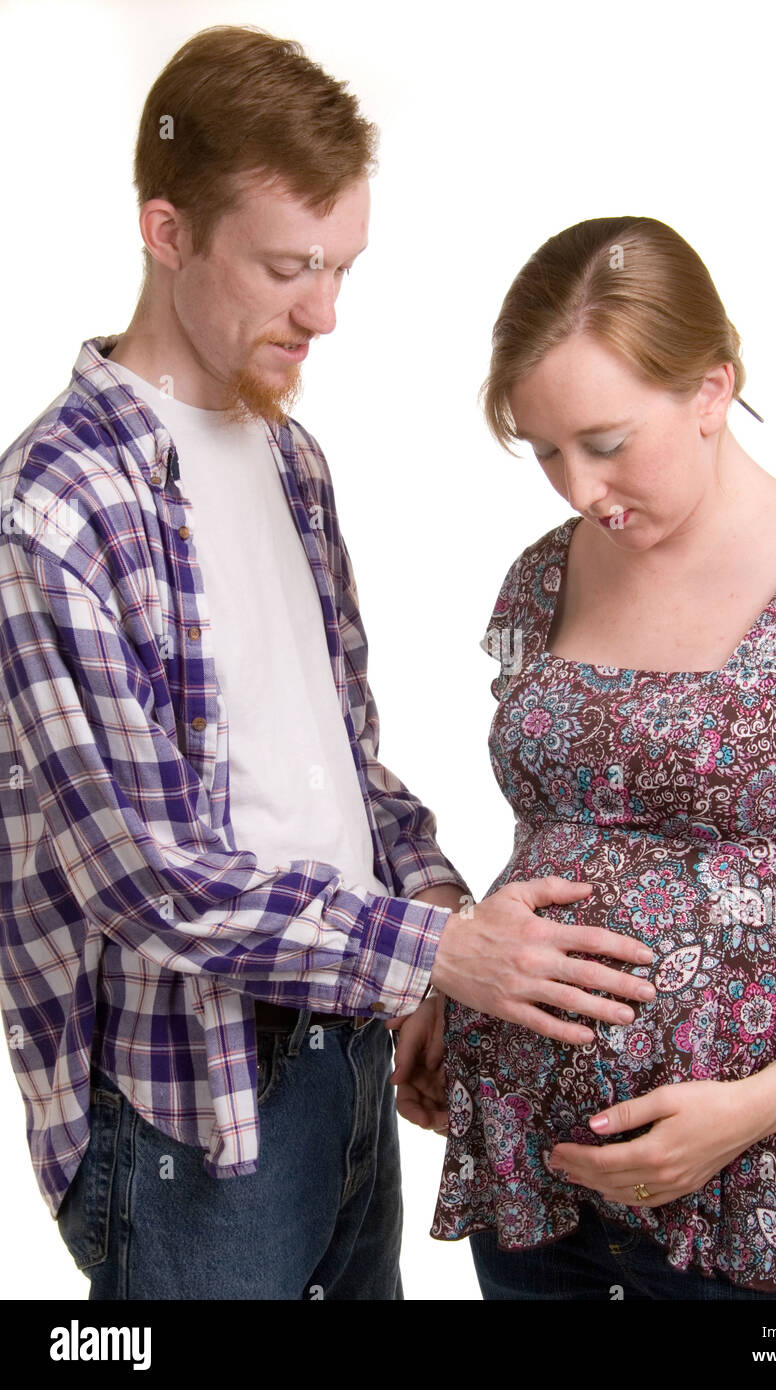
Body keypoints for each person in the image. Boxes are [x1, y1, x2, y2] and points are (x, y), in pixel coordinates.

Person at [0, 31, 654, 1301]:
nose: (325, 312)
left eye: (344, 267)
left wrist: (434, 949)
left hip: (346, 1060)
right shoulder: (54, 507)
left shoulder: (292, 464)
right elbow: (146, 877)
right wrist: (432, 952)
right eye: (289, 268)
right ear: (167, 231)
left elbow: (348, 776)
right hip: (193, 1116)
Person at [428, 214, 776, 1299]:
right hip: (538, 1189)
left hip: (773, 1193)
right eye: (546, 449)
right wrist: (456, 984)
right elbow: (551, 838)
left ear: (712, 389)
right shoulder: (540, 577)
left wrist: (752, 1108)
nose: (575, 488)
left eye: (604, 443)